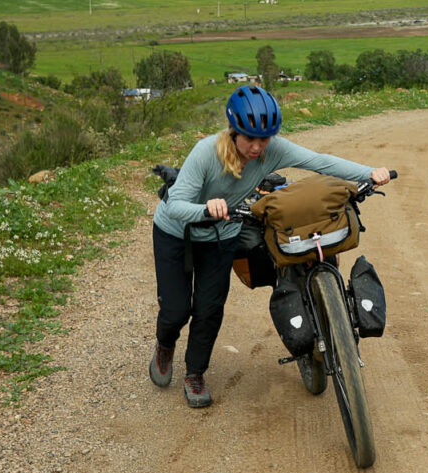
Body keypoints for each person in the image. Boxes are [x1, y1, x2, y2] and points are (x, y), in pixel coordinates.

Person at [150, 84, 393, 408]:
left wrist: (368, 173)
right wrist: (207, 209)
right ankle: (165, 346)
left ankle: (195, 373)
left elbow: (320, 162)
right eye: (250, 138)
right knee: (176, 310)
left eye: (263, 138)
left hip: (221, 235)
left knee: (209, 309)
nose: (257, 146)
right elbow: (177, 203)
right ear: (234, 132)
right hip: (175, 232)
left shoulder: (271, 149)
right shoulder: (207, 152)